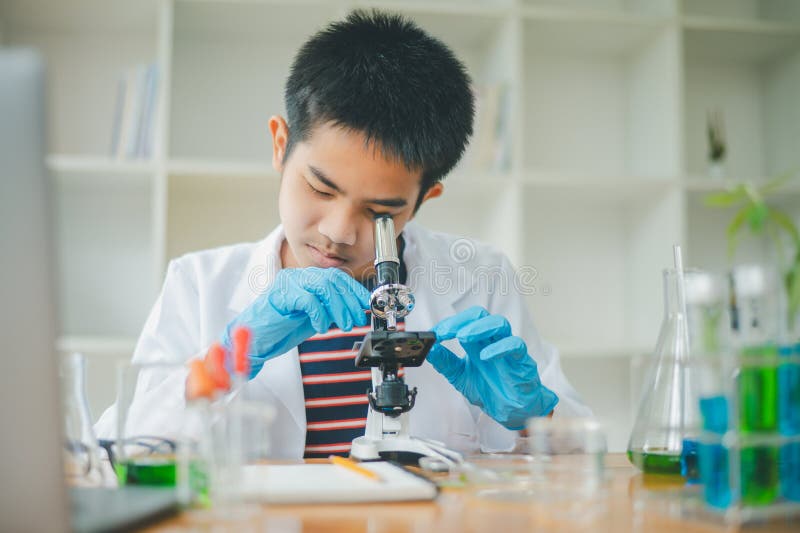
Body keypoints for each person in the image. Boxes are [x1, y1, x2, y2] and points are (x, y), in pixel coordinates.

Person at [95, 10, 590, 458]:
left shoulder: (480, 278)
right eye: (319, 187)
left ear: (423, 200)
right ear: (280, 145)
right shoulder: (199, 283)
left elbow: (584, 458)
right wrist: (221, 365)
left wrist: (533, 420)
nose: (337, 232)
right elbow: (121, 450)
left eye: (379, 210)